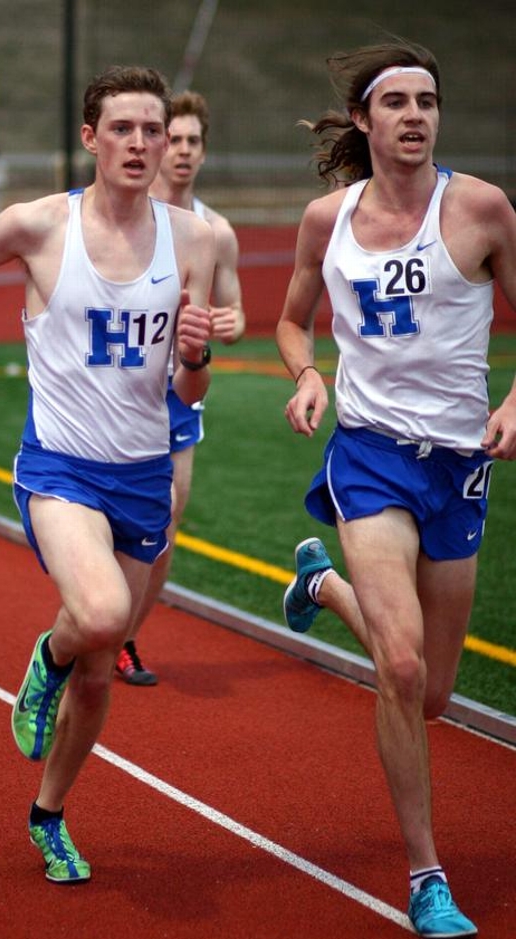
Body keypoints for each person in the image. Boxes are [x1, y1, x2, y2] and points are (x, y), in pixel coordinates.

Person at [0, 65, 215, 884]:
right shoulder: (41, 225)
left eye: (153, 129)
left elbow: (193, 387)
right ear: (91, 138)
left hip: (144, 471)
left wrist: (196, 351)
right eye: (123, 128)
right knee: (104, 614)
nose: (142, 143)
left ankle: (48, 813)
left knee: (101, 662)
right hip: (61, 468)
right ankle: (46, 654)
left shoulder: (199, 241)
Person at [276, 38, 516, 938]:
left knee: (434, 694)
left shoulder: (483, 208)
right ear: (365, 121)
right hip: (369, 455)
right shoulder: (324, 220)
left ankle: (321, 587)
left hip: (460, 468)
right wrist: (306, 375)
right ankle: (427, 876)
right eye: (398, 102)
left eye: (429, 101)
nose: (416, 115)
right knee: (402, 664)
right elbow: (293, 321)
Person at [115, 89, 246, 686]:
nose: (186, 151)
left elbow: (236, 313)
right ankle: (96, 619)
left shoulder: (215, 232)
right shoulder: (131, 219)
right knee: (111, 517)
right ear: (162, 142)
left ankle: (126, 636)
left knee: (165, 522)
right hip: (122, 389)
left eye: (196, 141)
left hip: (181, 395)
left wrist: (229, 322)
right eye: (179, 139)